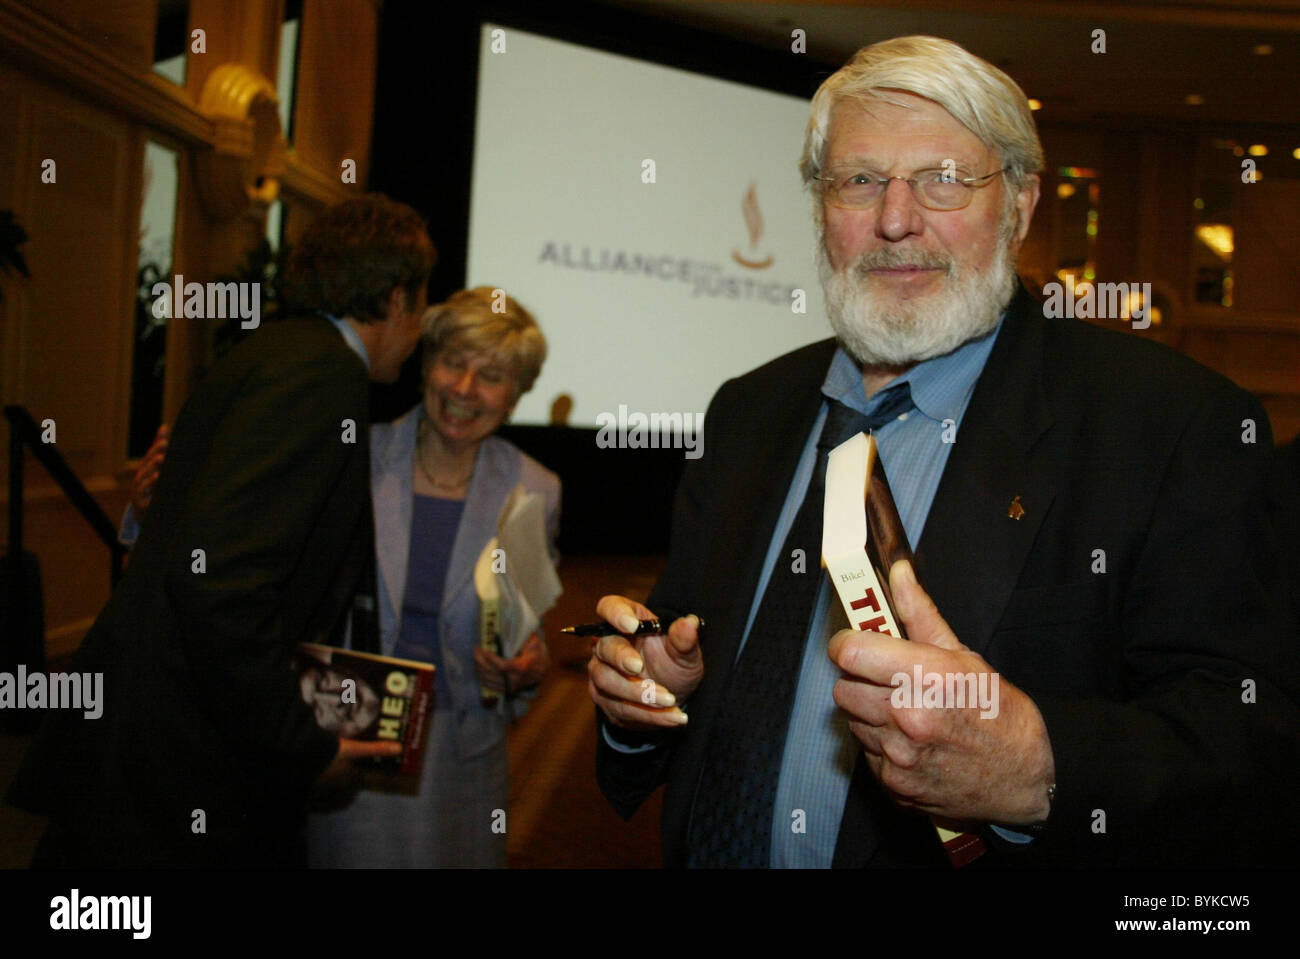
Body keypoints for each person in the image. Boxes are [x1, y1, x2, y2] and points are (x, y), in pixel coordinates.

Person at [587, 36, 1300, 868]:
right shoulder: (747, 410)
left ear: (1023, 204)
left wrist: (1039, 765)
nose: (895, 219)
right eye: (860, 180)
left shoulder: (1172, 427)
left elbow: (1254, 741)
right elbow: (686, 657)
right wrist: (645, 702)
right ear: (822, 205)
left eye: (945, 179)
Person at [7, 194, 435, 868]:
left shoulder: (271, 350)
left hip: (147, 743)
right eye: (422, 303)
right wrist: (303, 742)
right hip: (182, 762)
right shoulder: (322, 375)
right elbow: (219, 584)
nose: (420, 333)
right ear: (395, 297)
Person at [308, 286, 559, 868]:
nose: (464, 390)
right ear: (426, 363)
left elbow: (524, 622)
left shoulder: (535, 489)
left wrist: (529, 663)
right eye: (453, 363)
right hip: (353, 736)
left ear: (516, 396)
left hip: (462, 751)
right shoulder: (356, 457)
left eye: (491, 376)